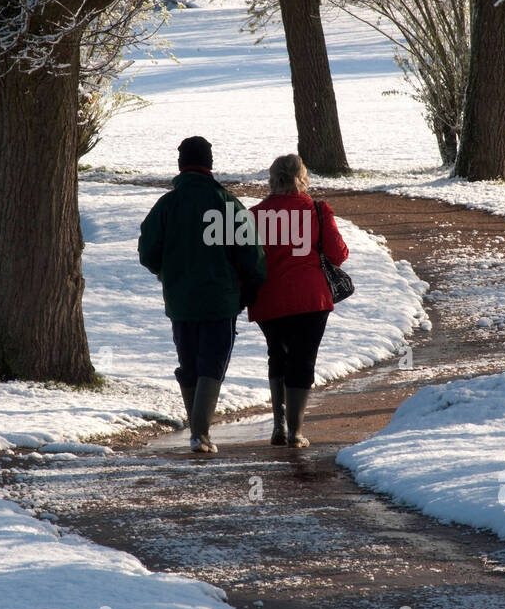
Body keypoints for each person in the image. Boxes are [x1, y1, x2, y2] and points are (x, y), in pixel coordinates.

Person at [138, 136, 266, 453]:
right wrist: (249, 291)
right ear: (209, 164)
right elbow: (252, 256)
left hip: (180, 301)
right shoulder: (227, 203)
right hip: (220, 300)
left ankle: (198, 433)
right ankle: (200, 434)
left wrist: (166, 273)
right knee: (213, 364)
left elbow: (147, 252)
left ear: (181, 165)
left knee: (189, 364)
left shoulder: (168, 204)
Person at [246, 154, 349, 448]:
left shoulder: (255, 215)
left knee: (277, 355)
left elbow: (245, 261)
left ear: (272, 178)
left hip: (269, 300)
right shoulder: (317, 211)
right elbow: (338, 254)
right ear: (302, 177)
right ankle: (295, 431)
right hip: (310, 299)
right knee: (303, 359)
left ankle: (279, 424)